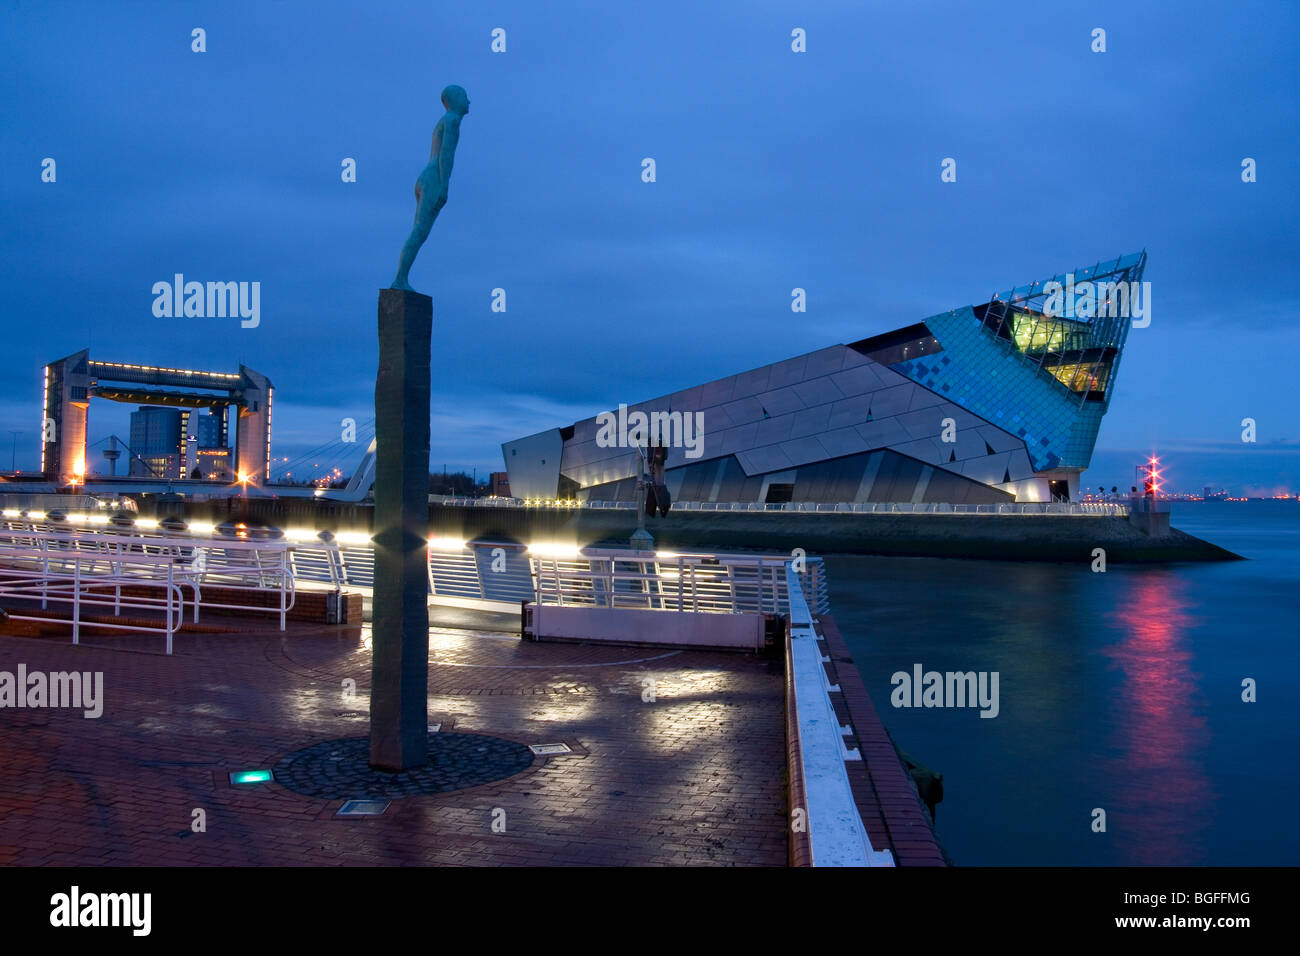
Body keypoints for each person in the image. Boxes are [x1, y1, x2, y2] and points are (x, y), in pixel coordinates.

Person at [391, 84, 470, 291]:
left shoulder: (443, 122)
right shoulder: (452, 121)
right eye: (465, 96)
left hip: (425, 178)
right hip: (434, 178)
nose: (469, 101)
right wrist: (444, 185)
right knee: (420, 232)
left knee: (418, 231)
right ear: (455, 100)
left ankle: (401, 278)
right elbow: (446, 154)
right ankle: (400, 279)